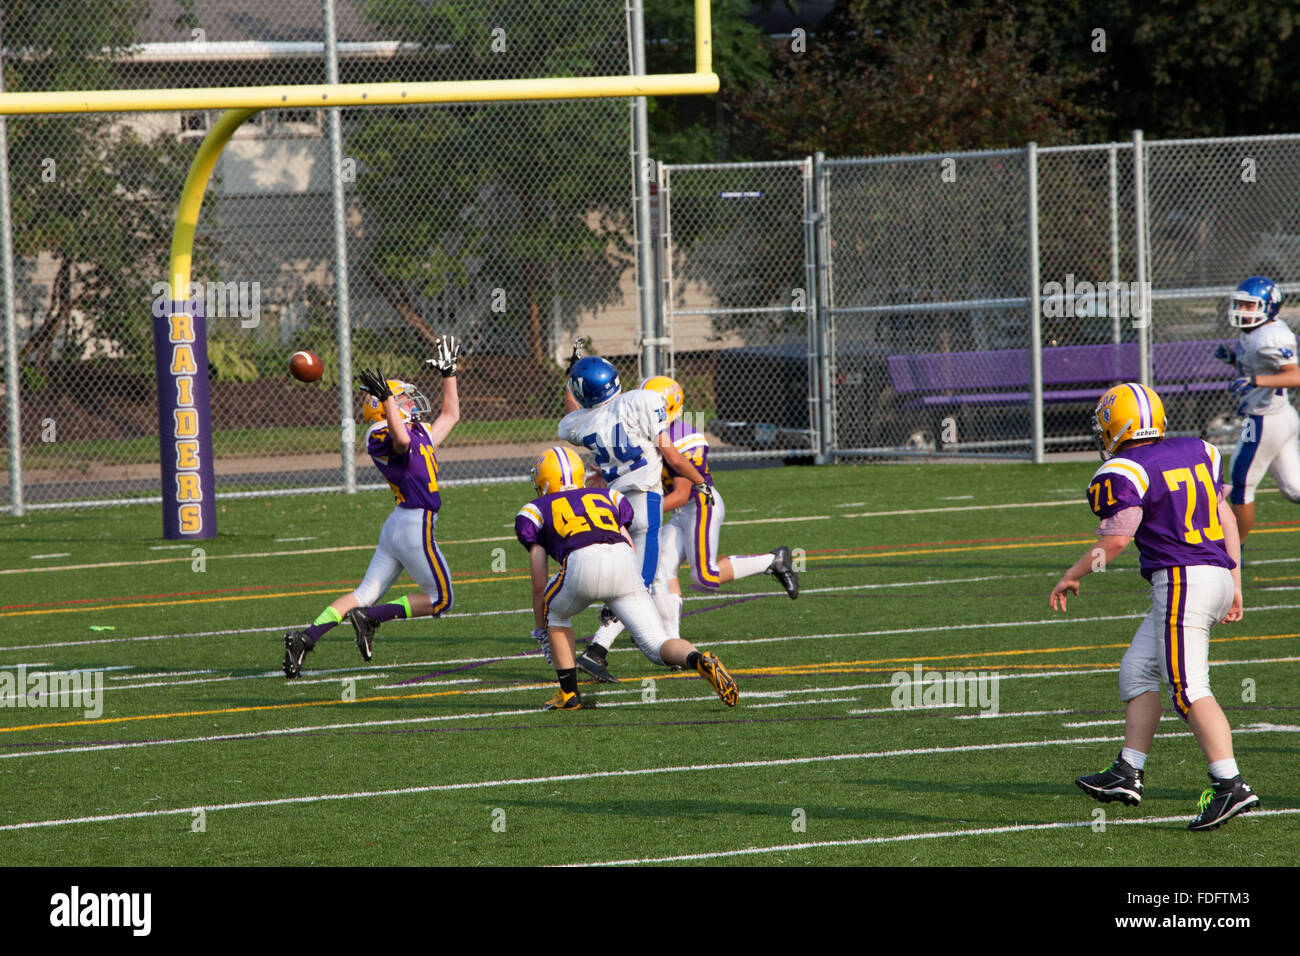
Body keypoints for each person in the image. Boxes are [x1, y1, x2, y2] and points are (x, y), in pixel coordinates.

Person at [1049, 382, 1259, 831]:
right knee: (1138, 670)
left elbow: (1118, 539)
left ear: (1115, 425)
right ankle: (1128, 770)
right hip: (1214, 574)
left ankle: (1229, 784)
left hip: (1184, 579)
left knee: (1188, 688)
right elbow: (1224, 517)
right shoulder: (1199, 448)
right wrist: (1235, 582)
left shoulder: (1125, 469)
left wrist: (1074, 573)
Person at [282, 336, 461, 678]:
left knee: (363, 592)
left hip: (398, 524)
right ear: (385, 405)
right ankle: (373, 618)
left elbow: (450, 415)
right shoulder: (380, 431)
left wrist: (449, 374)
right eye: (402, 398)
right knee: (441, 599)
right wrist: (388, 402)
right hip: (413, 524)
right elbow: (401, 440)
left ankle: (304, 638)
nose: (409, 401)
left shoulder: (416, 430)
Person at [587, 375, 799, 657]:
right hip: (678, 509)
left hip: (701, 504)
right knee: (661, 567)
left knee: (705, 577)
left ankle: (774, 560)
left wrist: (635, 509)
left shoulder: (685, 436)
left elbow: (682, 493)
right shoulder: (646, 432)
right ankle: (670, 638)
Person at [516, 446, 739, 710]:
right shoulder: (608, 495)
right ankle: (698, 658)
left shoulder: (535, 510)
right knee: (657, 646)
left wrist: (542, 628)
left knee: (556, 616)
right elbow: (628, 543)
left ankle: (569, 695)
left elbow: (539, 582)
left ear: (544, 479)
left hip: (580, 563)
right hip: (623, 561)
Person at [557, 355, 711, 683]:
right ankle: (660, 646)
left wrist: (570, 377)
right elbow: (670, 456)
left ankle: (600, 649)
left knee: (639, 578)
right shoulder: (643, 400)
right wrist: (700, 480)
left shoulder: (576, 424)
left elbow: (576, 413)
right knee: (638, 584)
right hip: (646, 500)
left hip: (614, 506)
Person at [1214, 275, 1300, 547]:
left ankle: (1233, 548)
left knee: (1241, 483)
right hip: (1278, 417)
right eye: (1241, 304)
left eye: (1250, 306)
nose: (1243, 311)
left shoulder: (1273, 336)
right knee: (1294, 489)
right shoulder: (1255, 331)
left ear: (1269, 306)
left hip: (1264, 420)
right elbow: (1258, 366)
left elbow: (1295, 375)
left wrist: (1255, 381)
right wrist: (1234, 362)